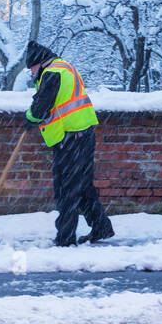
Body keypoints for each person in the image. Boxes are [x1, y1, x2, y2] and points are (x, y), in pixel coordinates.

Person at [22, 41, 114, 247]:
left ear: (39, 63)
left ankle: (65, 238)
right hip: (82, 136)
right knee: (81, 186)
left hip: (71, 140)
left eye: (32, 69)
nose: (31, 74)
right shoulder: (63, 67)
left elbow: (40, 108)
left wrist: (29, 117)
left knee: (66, 189)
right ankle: (101, 226)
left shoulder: (52, 74)